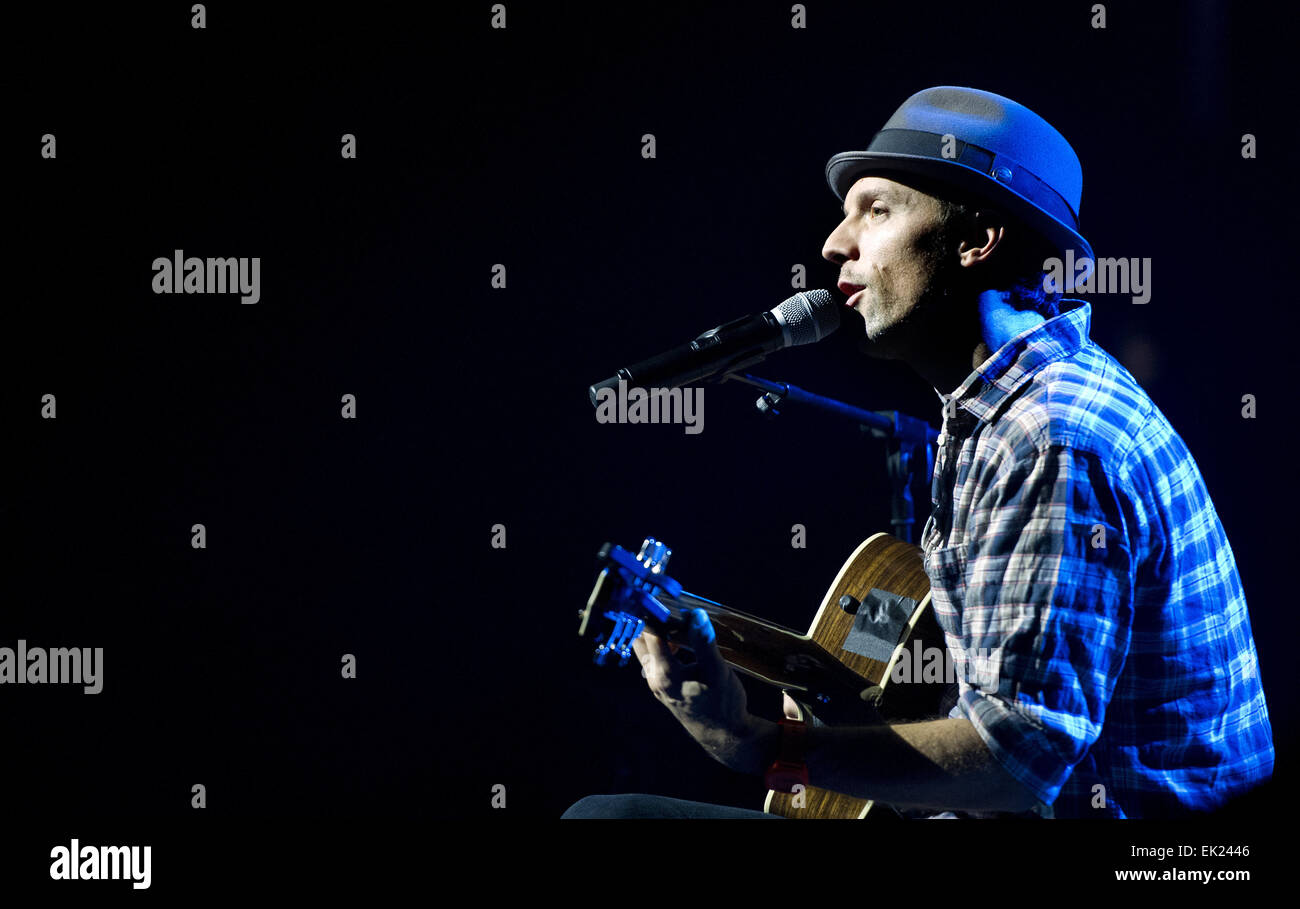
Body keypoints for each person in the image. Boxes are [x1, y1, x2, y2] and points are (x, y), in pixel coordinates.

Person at [564, 86, 1274, 819]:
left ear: (976, 241)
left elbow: (1016, 754)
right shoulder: (997, 410)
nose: (834, 244)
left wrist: (755, 742)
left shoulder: (1051, 437)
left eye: (876, 210)